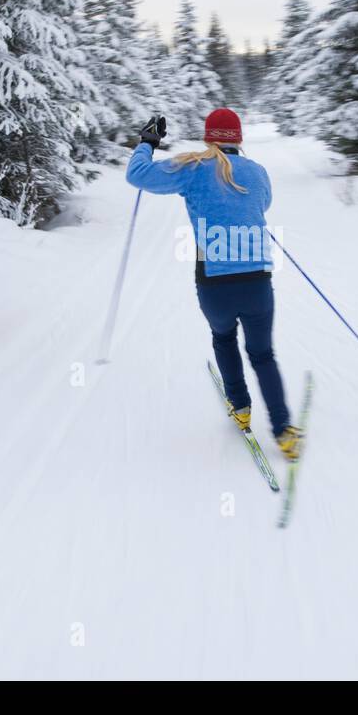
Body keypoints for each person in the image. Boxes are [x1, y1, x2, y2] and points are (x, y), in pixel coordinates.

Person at [125, 108, 302, 459]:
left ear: (208, 137)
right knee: (263, 355)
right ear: (239, 138)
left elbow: (137, 175)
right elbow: (263, 203)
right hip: (256, 282)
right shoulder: (257, 171)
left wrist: (148, 141)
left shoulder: (192, 167)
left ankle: (241, 408)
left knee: (223, 338)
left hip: (214, 284)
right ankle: (284, 431)